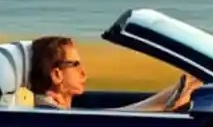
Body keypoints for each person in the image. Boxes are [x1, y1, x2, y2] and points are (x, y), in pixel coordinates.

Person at [28, 35, 201, 111]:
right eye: (75, 65)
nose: (83, 73)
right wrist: (168, 102)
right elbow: (99, 124)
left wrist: (174, 92)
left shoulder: (55, 111)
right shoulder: (49, 114)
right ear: (57, 75)